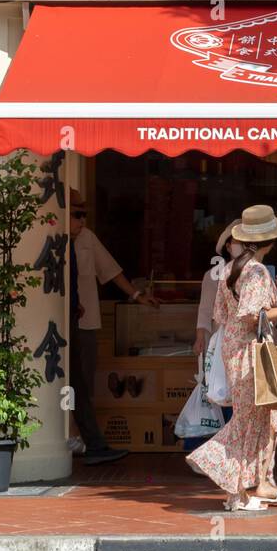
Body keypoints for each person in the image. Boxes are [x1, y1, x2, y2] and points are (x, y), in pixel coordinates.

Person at [186, 204, 277, 511]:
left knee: (265, 417)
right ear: (270, 240)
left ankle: (251, 487)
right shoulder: (254, 270)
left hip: (237, 349)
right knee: (251, 420)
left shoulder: (231, 269)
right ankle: (224, 475)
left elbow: (222, 315)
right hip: (249, 352)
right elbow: (253, 315)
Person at [68, 188, 159, 465]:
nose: (82, 221)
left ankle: (84, 441)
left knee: (82, 383)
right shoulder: (51, 239)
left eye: (84, 214)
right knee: (71, 385)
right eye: (76, 214)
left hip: (85, 323)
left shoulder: (86, 239)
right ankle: (84, 442)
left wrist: (136, 295)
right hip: (59, 325)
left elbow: (110, 269)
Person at [194, 220, 242, 356]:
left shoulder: (257, 272)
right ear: (228, 247)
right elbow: (205, 309)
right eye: (238, 241)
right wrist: (200, 337)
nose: (243, 246)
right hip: (222, 336)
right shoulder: (214, 275)